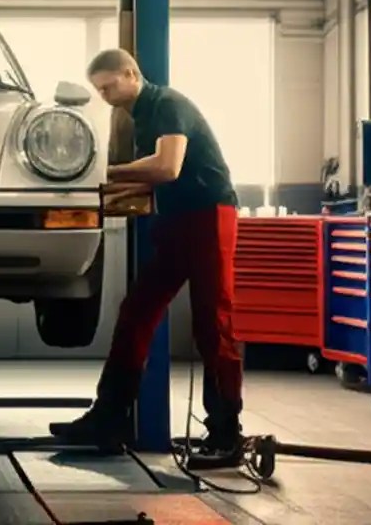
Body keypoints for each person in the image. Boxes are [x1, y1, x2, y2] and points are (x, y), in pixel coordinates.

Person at [50, 48, 244, 470]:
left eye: (109, 85)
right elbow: (146, 177)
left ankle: (227, 434)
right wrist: (90, 193)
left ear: (131, 73)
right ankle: (108, 419)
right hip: (177, 220)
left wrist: (101, 172)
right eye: (98, 90)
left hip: (210, 217)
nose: (103, 95)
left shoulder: (167, 103)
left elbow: (167, 167)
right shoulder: (138, 116)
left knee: (213, 323)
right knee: (136, 313)